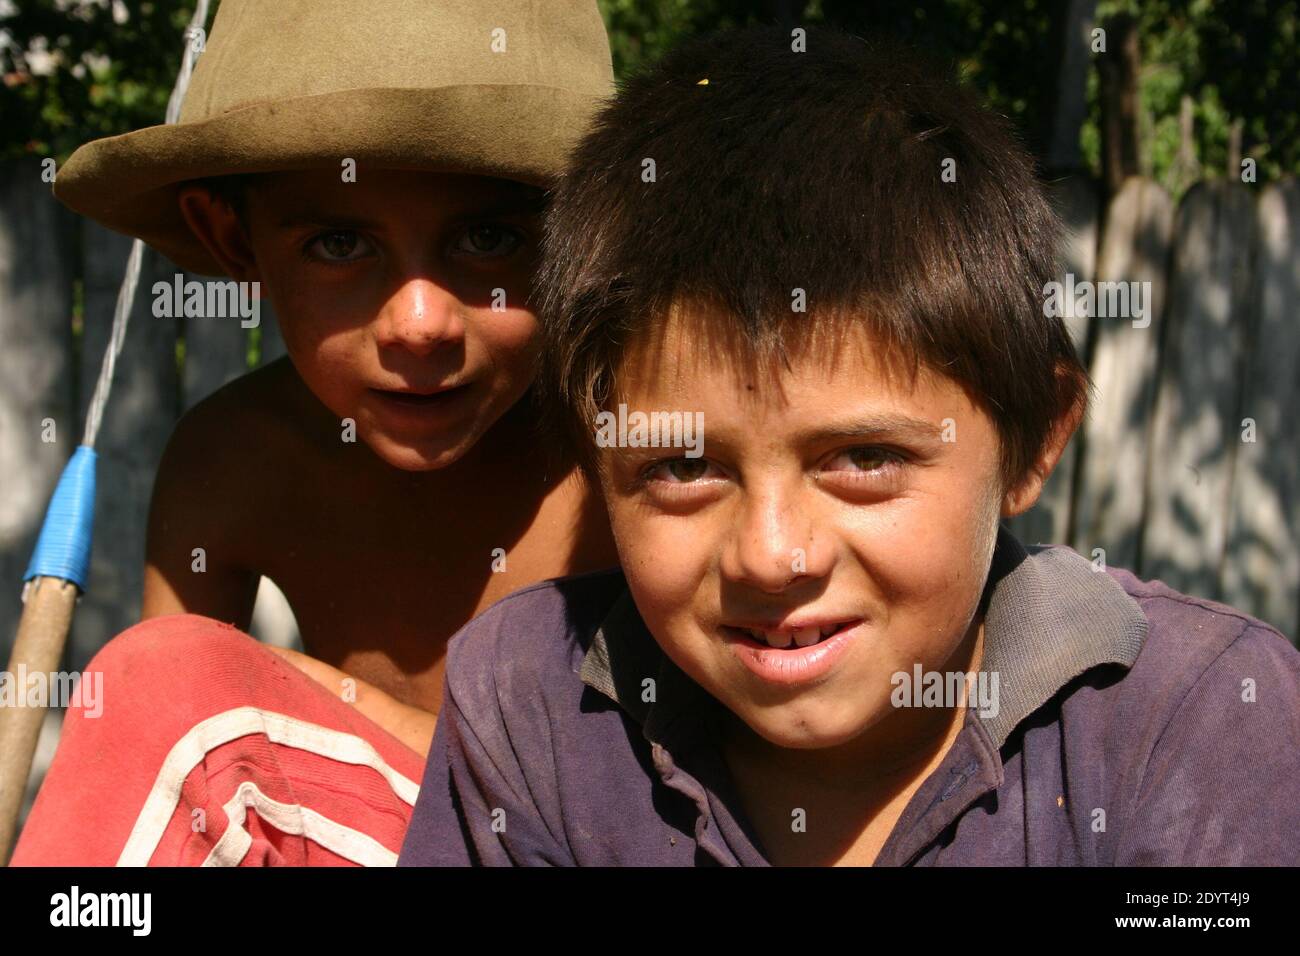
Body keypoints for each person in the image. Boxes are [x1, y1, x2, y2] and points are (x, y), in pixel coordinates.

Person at [397, 25, 1300, 866]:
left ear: (1032, 443)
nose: (772, 555)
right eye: (680, 467)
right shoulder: (529, 708)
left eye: (865, 459)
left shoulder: (1200, 721)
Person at [10, 0, 617, 866]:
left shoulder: (636, 456)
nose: (419, 323)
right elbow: (170, 773)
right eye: (340, 243)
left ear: (584, 243)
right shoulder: (231, 460)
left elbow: (676, 790)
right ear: (234, 240)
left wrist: (312, 688)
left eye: (489, 238)